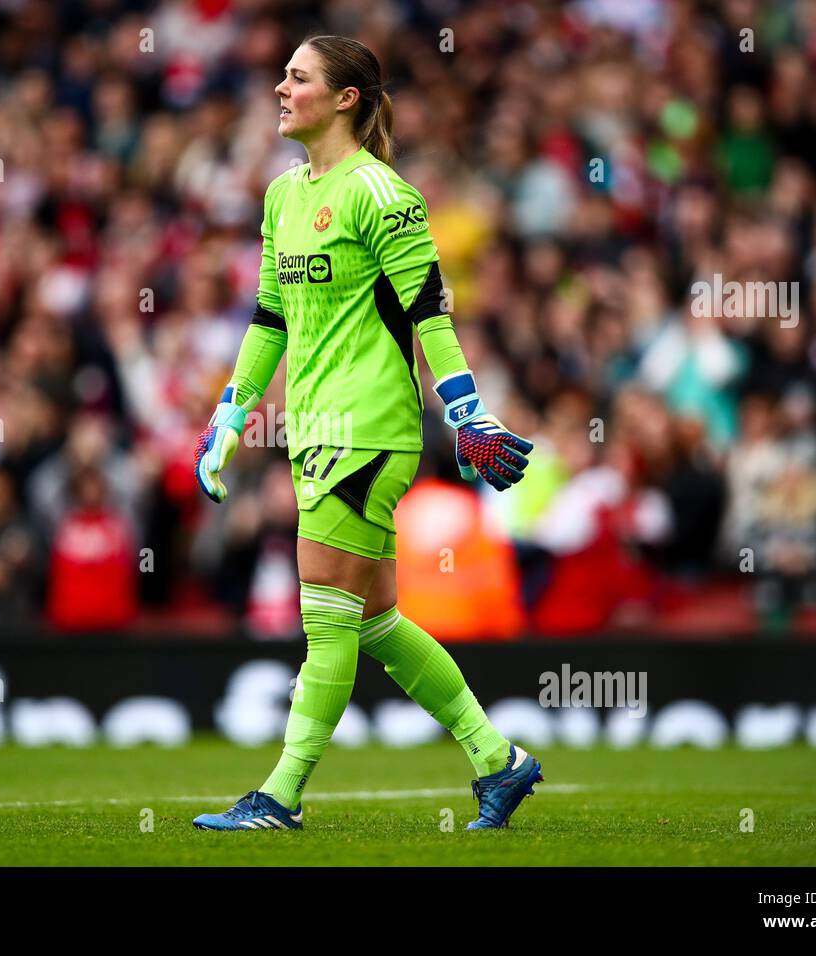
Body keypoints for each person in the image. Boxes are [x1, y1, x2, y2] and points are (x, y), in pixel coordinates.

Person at [191, 36, 541, 831]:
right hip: (313, 429)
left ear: (346, 98)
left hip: (370, 428)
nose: (280, 87)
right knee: (374, 620)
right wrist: (229, 414)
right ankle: (499, 760)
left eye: (298, 77)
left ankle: (280, 795)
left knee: (322, 615)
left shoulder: (384, 195)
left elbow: (428, 311)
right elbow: (269, 319)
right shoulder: (283, 197)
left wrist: (466, 413)